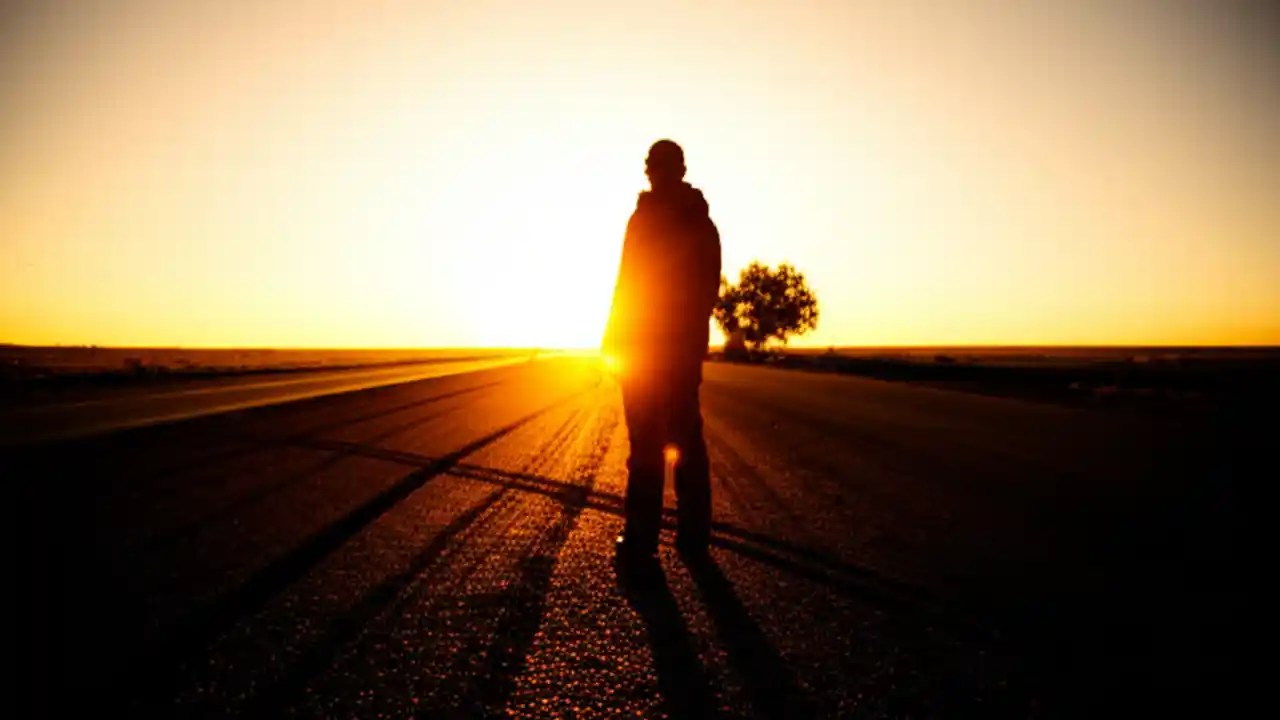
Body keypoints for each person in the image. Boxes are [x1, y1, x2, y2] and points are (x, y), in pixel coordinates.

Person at [603, 139, 722, 562]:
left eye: (663, 166)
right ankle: (665, 540)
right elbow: (627, 283)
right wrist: (614, 339)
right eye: (655, 166)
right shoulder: (652, 219)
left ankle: (659, 541)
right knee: (660, 443)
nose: (658, 173)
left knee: (668, 442)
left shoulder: (691, 222)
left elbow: (702, 289)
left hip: (664, 351)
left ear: (679, 170)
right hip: (649, 350)